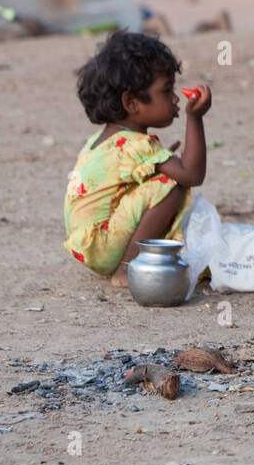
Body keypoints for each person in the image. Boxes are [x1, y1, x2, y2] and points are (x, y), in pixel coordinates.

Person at [64, 31, 211, 287]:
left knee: (162, 177)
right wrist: (195, 118)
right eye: (166, 90)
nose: (176, 98)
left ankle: (124, 260)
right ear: (131, 103)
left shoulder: (103, 140)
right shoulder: (138, 145)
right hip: (104, 246)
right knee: (172, 185)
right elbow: (192, 174)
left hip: (86, 244)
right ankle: (127, 267)